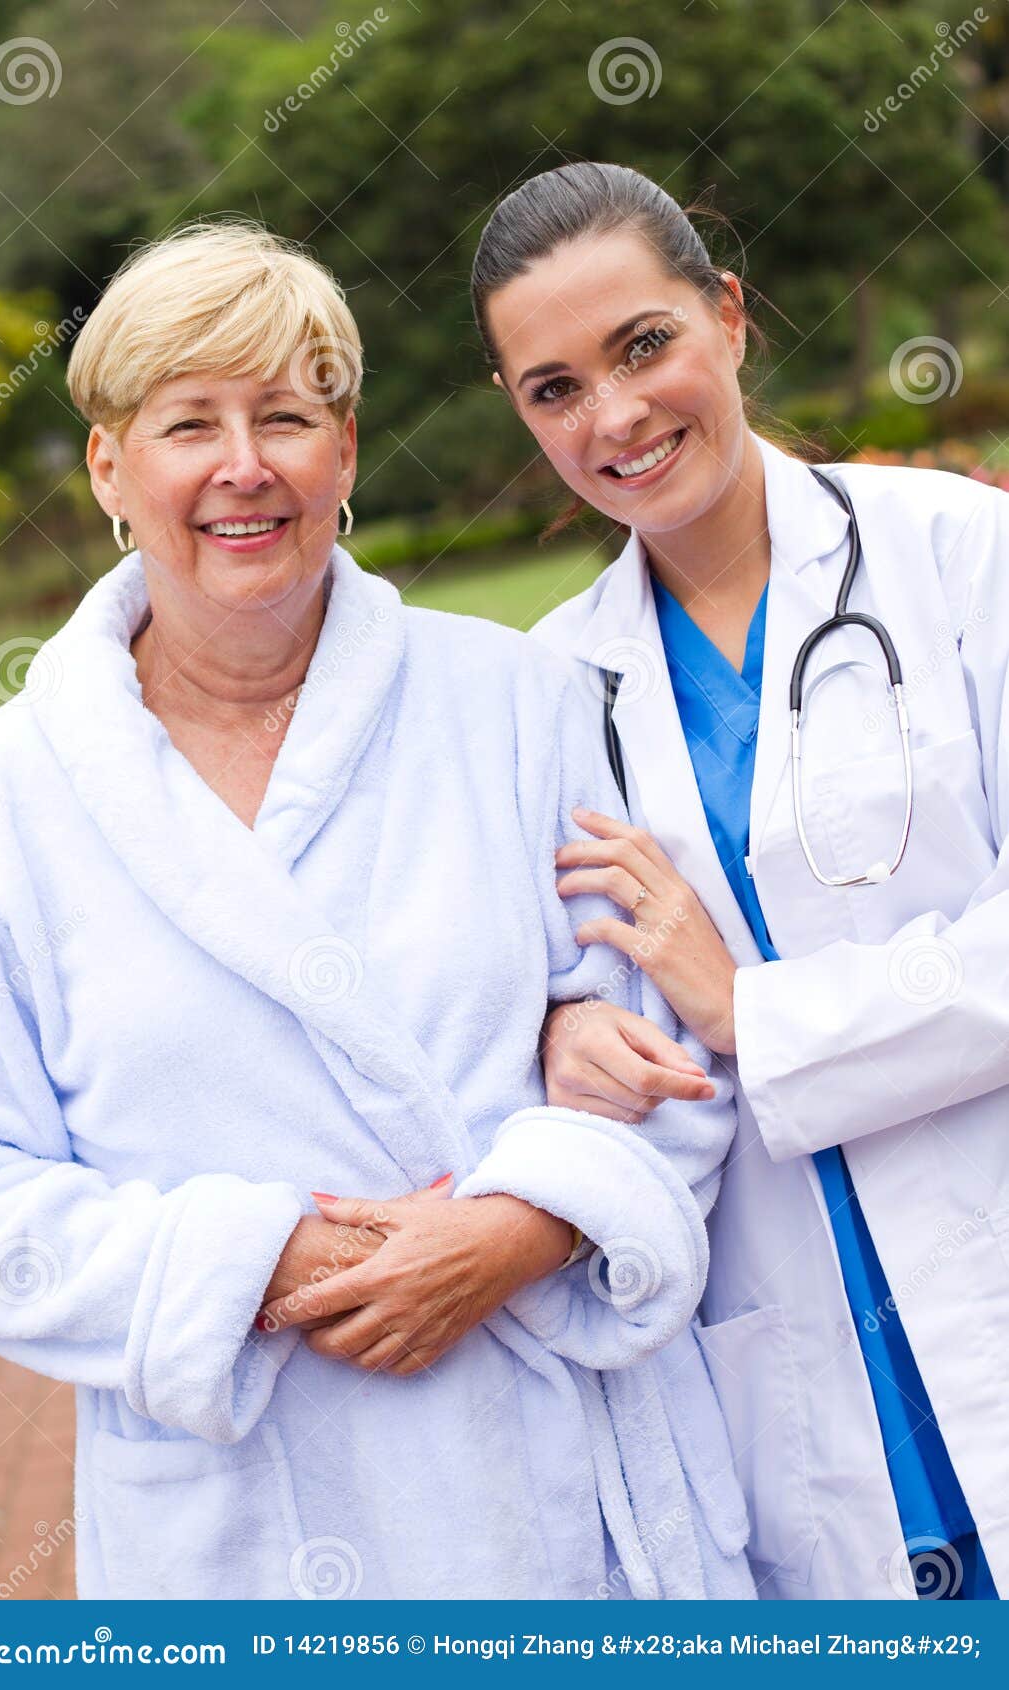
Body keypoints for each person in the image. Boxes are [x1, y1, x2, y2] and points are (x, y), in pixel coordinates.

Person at [0, 221, 754, 1601]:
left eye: (288, 417)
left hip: (555, 1499)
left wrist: (525, 1229)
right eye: (189, 423)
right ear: (110, 469)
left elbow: (671, 1066)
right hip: (247, 1532)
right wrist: (265, 1262)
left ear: (349, 452)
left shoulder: (518, 704)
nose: (244, 466)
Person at [471, 161, 1008, 1601]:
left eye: (644, 344)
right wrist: (557, 1033)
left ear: (728, 314)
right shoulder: (552, 696)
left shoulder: (961, 560)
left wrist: (748, 1008)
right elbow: (532, 989)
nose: (616, 417)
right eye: (555, 388)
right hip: (800, 1389)